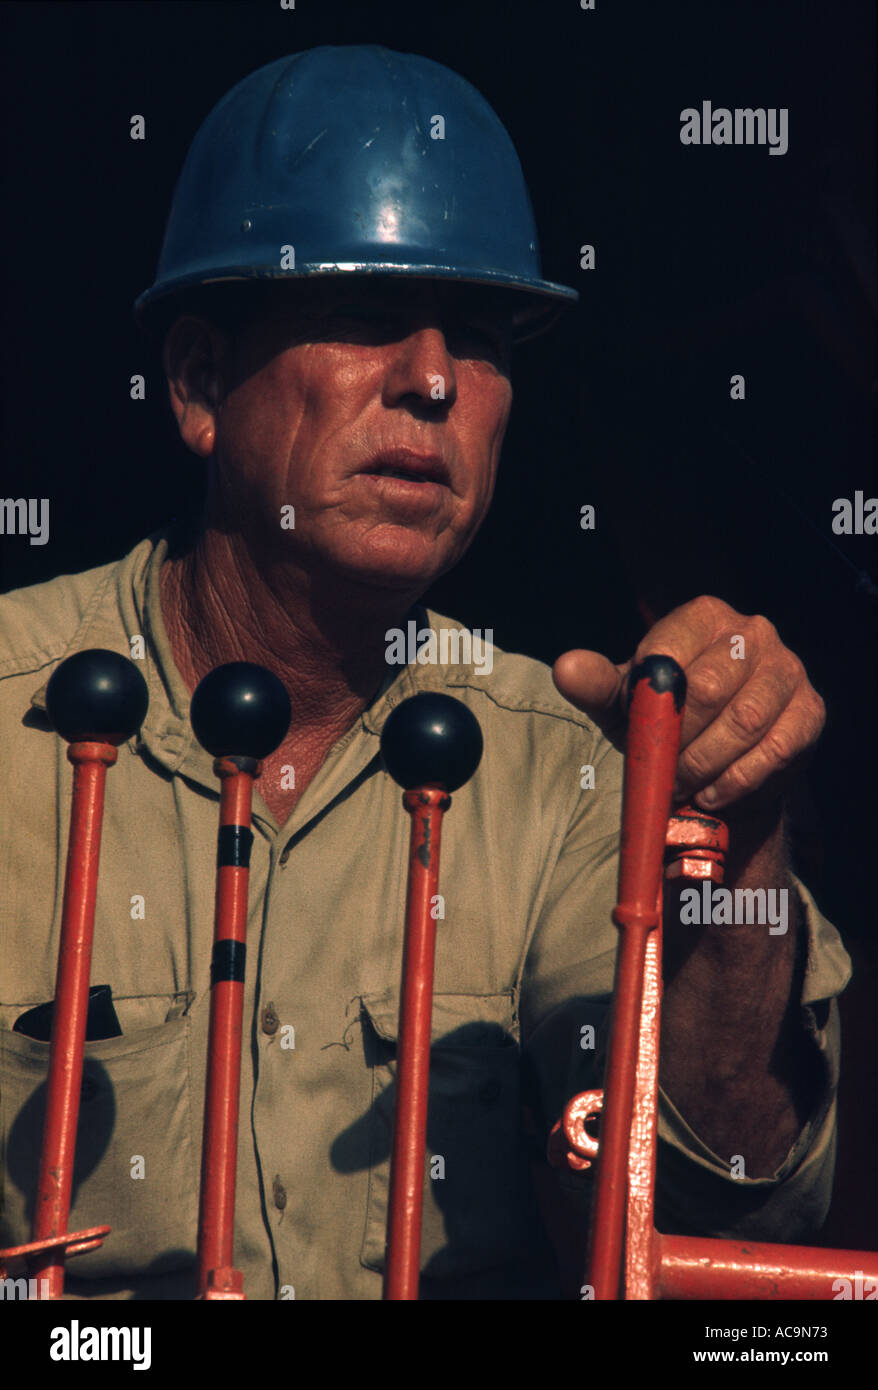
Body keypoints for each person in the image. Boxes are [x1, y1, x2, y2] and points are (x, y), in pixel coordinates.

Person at [0, 45, 850, 1301]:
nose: (434, 378)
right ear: (196, 385)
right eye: (358, 316)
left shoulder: (566, 770)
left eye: (484, 335)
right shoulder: (17, 712)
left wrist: (738, 845)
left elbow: (721, 1203)